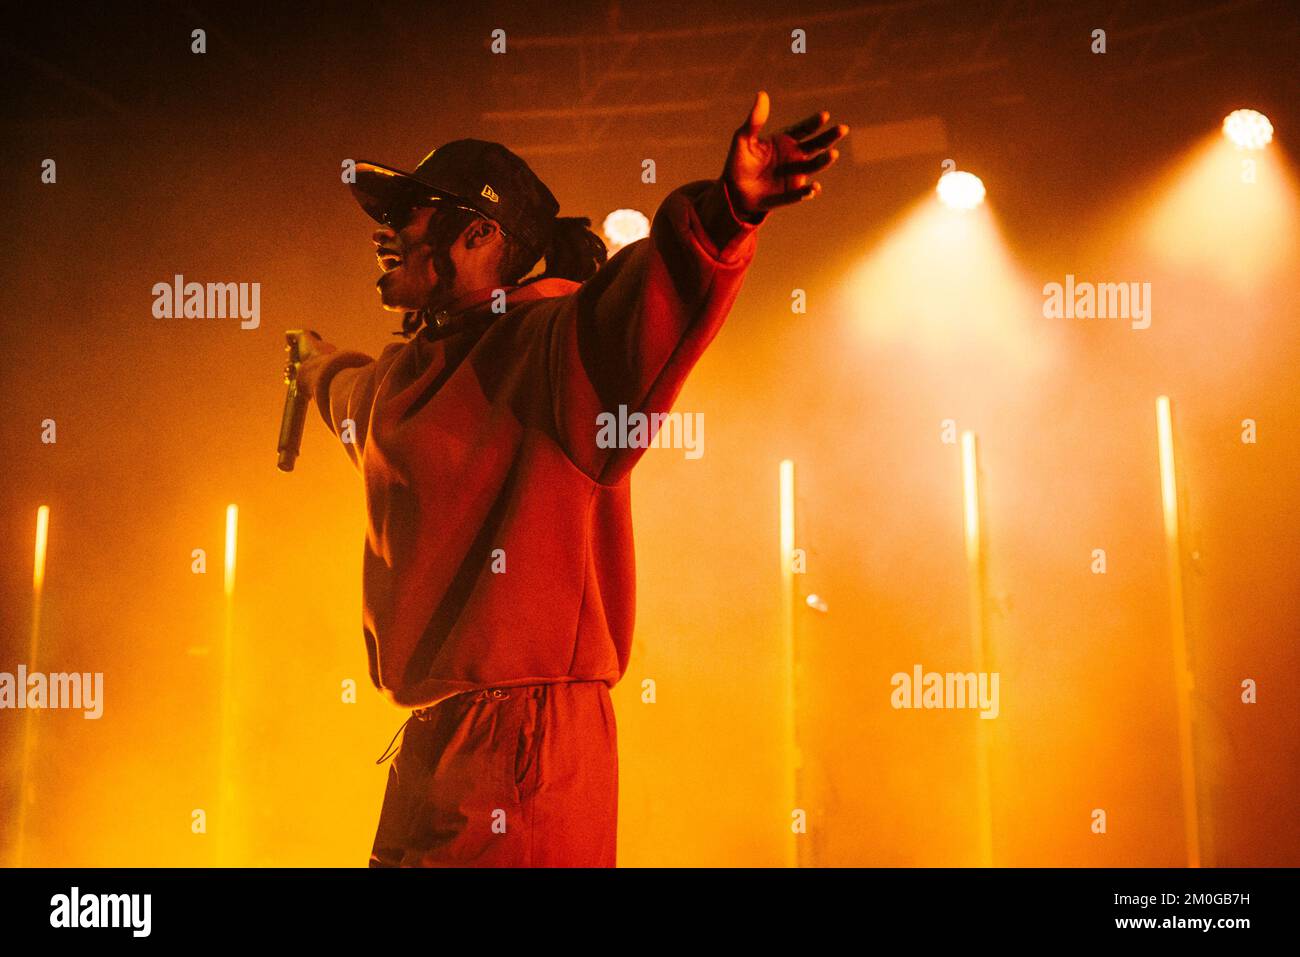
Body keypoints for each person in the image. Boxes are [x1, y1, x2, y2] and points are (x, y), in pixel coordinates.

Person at [295, 91, 847, 866]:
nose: (385, 232)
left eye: (408, 213)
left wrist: (725, 214)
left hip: (528, 742)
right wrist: (315, 365)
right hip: (433, 741)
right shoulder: (402, 377)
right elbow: (350, 395)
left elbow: (647, 305)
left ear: (480, 233)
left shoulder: (558, 349)